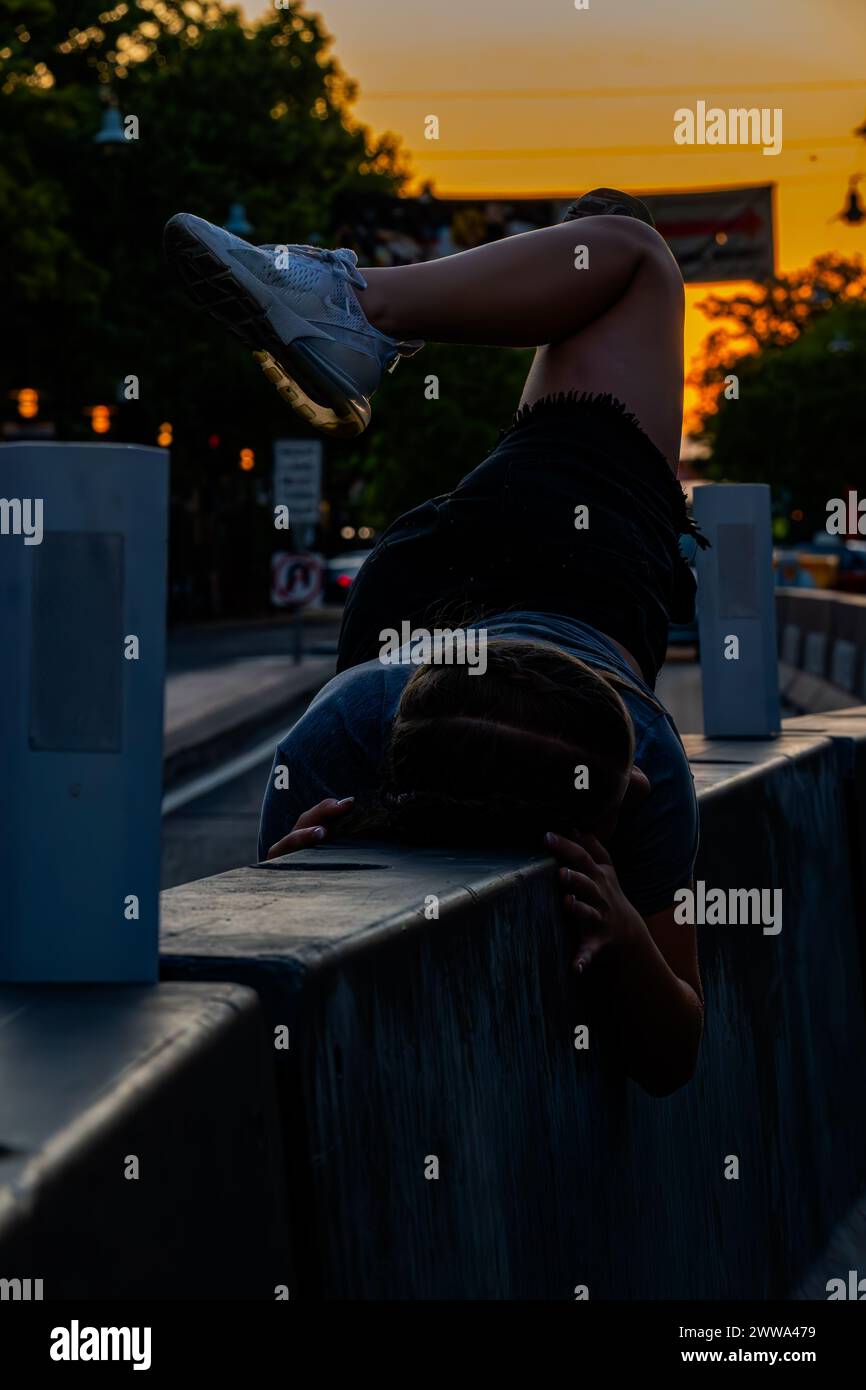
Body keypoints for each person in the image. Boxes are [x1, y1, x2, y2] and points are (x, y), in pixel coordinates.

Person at [165, 190, 705, 1095]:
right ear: (615, 802)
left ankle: (354, 306)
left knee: (634, 254)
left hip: (555, 570)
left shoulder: (637, 755)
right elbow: (672, 1055)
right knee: (611, 251)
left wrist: (283, 889)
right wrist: (626, 945)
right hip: (410, 618)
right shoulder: (343, 738)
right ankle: (371, 309)